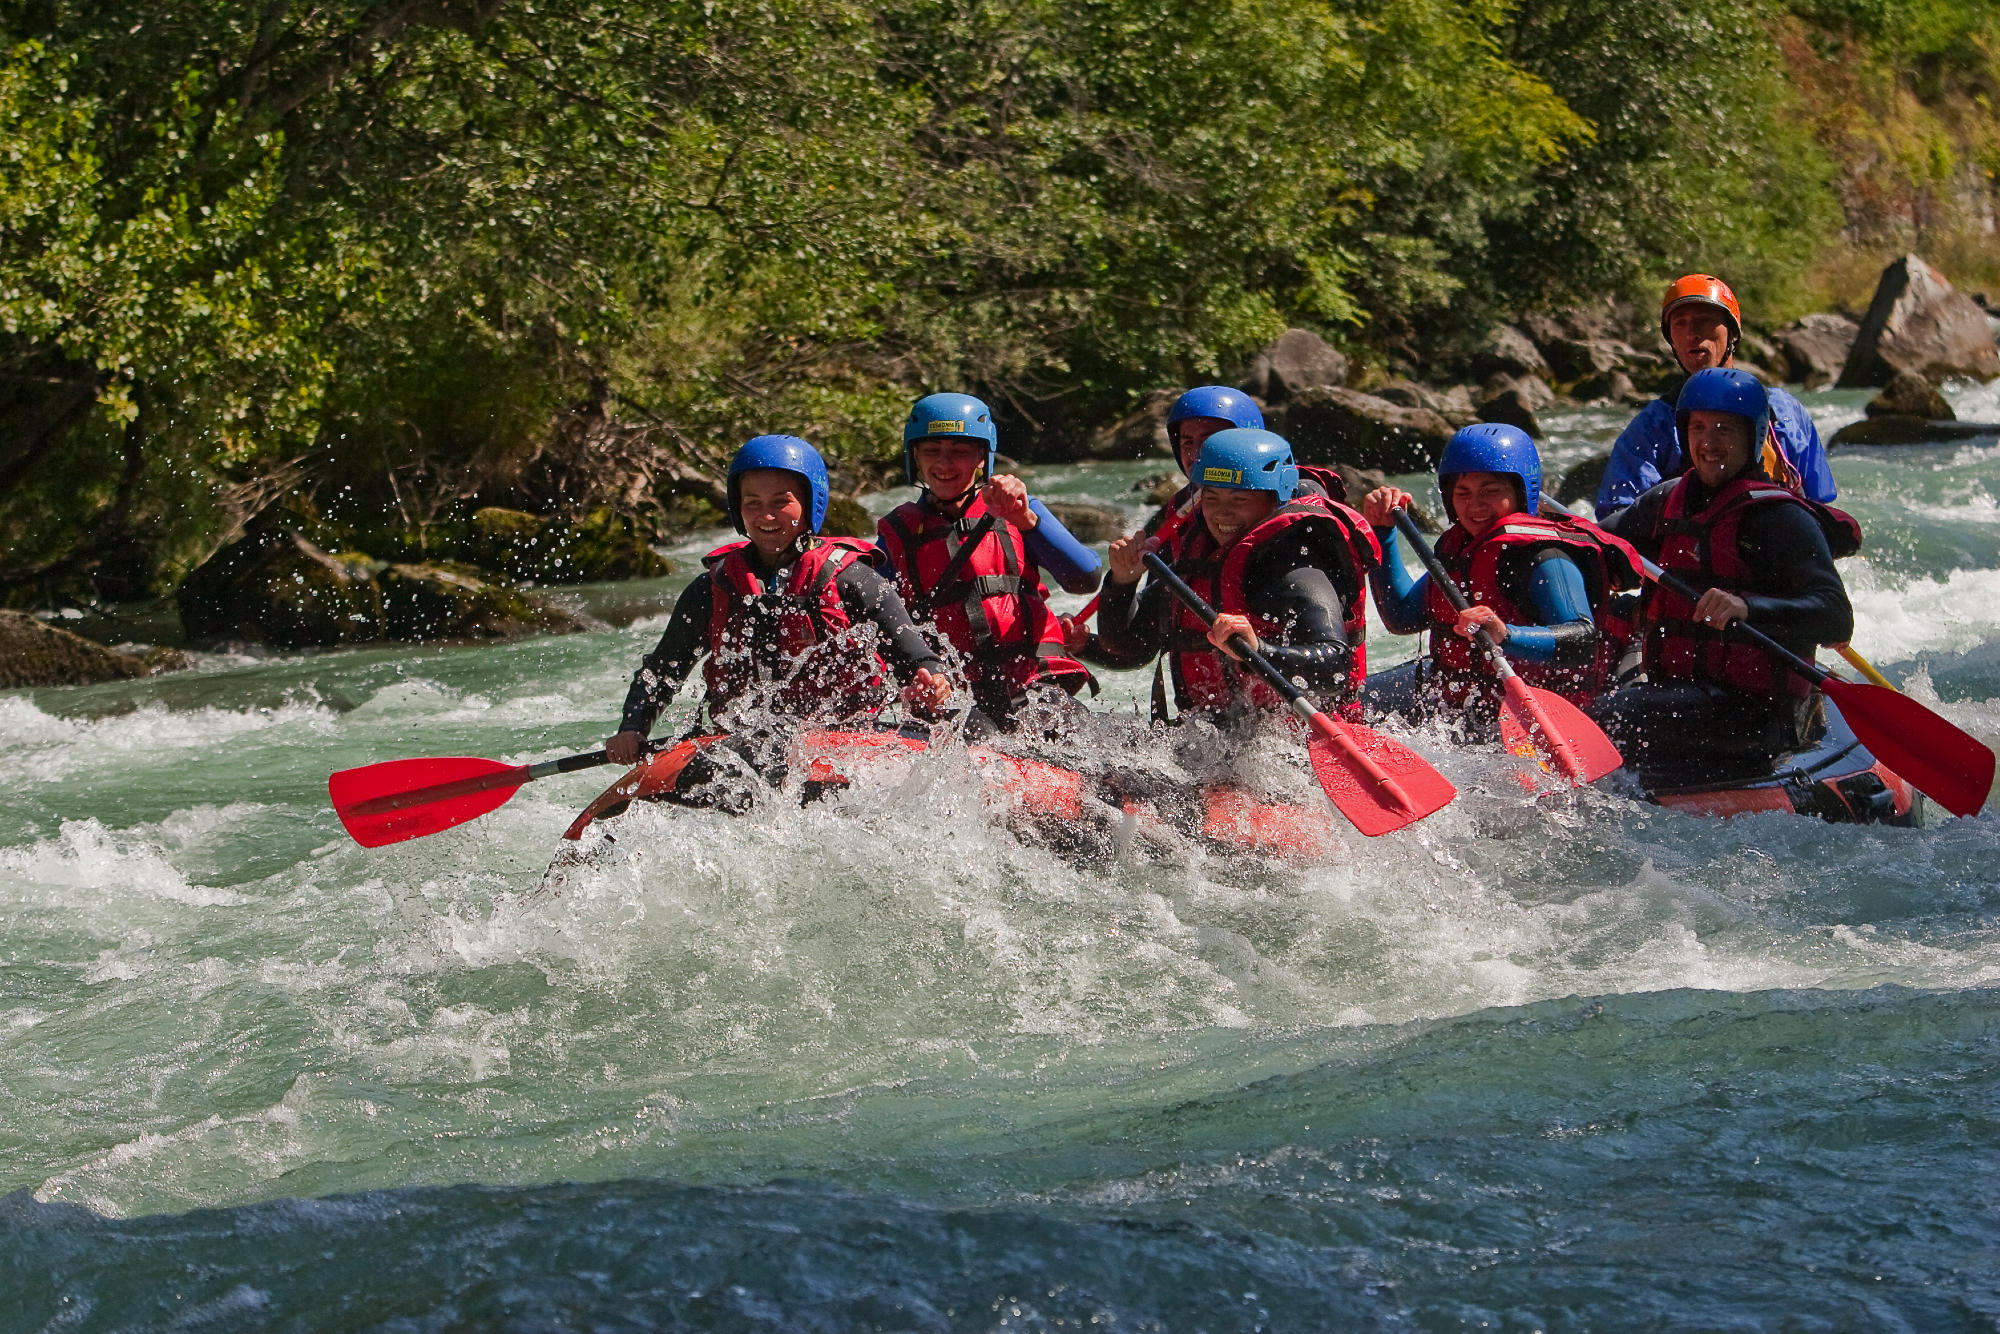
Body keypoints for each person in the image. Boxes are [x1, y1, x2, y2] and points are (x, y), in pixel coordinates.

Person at [605, 435, 954, 770]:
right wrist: (633, 728)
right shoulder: (712, 589)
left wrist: (931, 681)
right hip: (743, 746)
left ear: (810, 503)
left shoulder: (854, 581)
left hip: (843, 744)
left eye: (780, 502)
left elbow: (917, 656)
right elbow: (663, 670)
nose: (766, 516)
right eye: (752, 503)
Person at [1592, 367, 1861, 773]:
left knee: (1611, 717)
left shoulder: (1779, 518)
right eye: (1698, 428)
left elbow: (1836, 617)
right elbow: (1602, 551)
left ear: (1753, 437)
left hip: (1756, 714)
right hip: (1681, 695)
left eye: (1724, 430)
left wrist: (1748, 608)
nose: (1708, 443)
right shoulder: (1667, 502)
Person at [1362, 423, 1642, 726]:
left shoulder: (1546, 556)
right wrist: (1383, 533)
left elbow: (1583, 641)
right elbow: (1402, 616)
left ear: (1521, 492)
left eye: (1491, 491)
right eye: (1462, 493)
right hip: (1463, 707)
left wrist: (1506, 635)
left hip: (1543, 712)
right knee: (1351, 702)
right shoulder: (1459, 547)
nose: (1475, 505)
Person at [1092, 428, 1379, 722]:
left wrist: (1259, 651)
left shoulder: (1298, 565)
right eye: (1212, 498)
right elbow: (1125, 646)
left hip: (1300, 734)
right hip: (1211, 733)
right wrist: (1123, 583)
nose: (1221, 514)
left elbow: (1335, 668)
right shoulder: (1201, 557)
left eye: (1239, 499)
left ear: (1276, 498)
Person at [875, 392, 1100, 728]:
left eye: (960, 452)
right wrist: (917, 679)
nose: (944, 464)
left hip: (1032, 681)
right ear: (915, 457)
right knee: (976, 733)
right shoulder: (897, 534)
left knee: (1063, 724)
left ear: (982, 456)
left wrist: (1027, 520)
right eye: (932, 451)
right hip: (955, 696)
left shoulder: (1020, 512)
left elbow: (1085, 578)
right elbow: (878, 623)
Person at [1596, 273, 1835, 518]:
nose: (1692, 333)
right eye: (1680, 323)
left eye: (1704, 320)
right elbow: (1616, 515)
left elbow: (1822, 506)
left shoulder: (1785, 411)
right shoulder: (1651, 427)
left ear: (1732, 333)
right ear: (1671, 340)